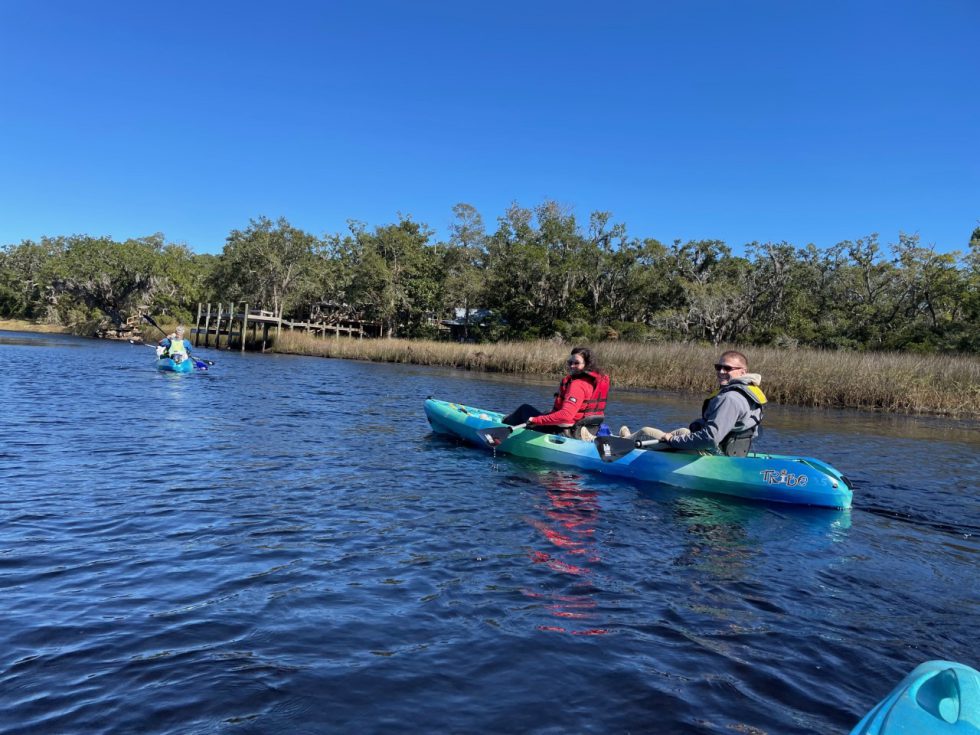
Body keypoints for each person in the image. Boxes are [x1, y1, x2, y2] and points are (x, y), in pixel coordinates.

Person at [619, 350, 767, 456]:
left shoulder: (730, 398)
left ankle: (620, 445)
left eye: (727, 368)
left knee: (646, 432)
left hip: (715, 456)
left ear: (743, 372)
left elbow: (709, 439)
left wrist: (672, 440)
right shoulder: (749, 394)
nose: (721, 371)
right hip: (732, 452)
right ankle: (627, 438)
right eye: (718, 367)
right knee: (682, 432)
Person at [502, 347, 610, 440]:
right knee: (546, 412)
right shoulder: (592, 382)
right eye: (570, 363)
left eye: (576, 363)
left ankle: (502, 425)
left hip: (563, 430)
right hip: (584, 427)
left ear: (587, 365)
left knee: (524, 409)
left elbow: (566, 415)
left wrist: (535, 420)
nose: (572, 366)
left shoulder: (578, 385)